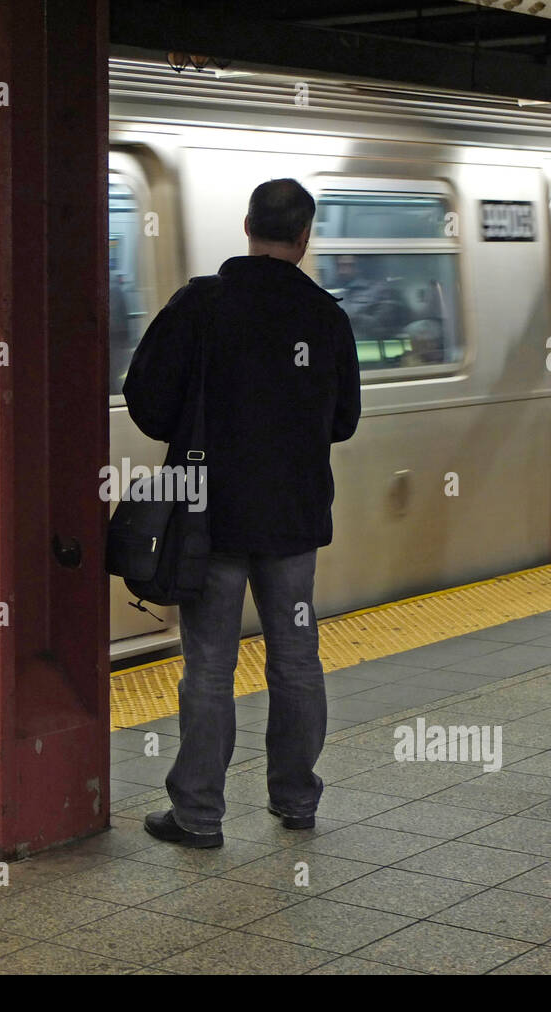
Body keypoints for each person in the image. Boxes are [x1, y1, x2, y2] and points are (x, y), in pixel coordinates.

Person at [123, 178, 361, 846]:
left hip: (211, 519)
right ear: (304, 236)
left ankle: (198, 815)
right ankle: (295, 799)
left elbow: (145, 398)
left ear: (248, 224)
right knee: (294, 658)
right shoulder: (325, 316)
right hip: (293, 520)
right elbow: (343, 421)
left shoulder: (203, 304)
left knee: (208, 665)